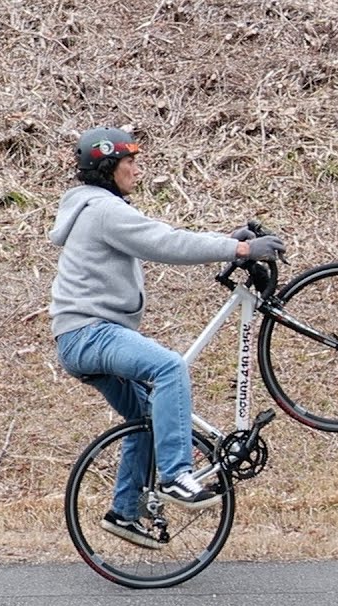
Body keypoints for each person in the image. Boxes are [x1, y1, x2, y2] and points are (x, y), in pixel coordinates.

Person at [48, 126, 285, 549]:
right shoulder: (105, 210)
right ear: (108, 169)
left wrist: (226, 242)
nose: (137, 171)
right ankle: (177, 477)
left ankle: (125, 511)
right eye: (129, 163)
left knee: (147, 419)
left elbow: (164, 238)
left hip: (81, 337)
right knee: (168, 367)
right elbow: (166, 242)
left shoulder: (96, 210)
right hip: (90, 334)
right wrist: (243, 252)